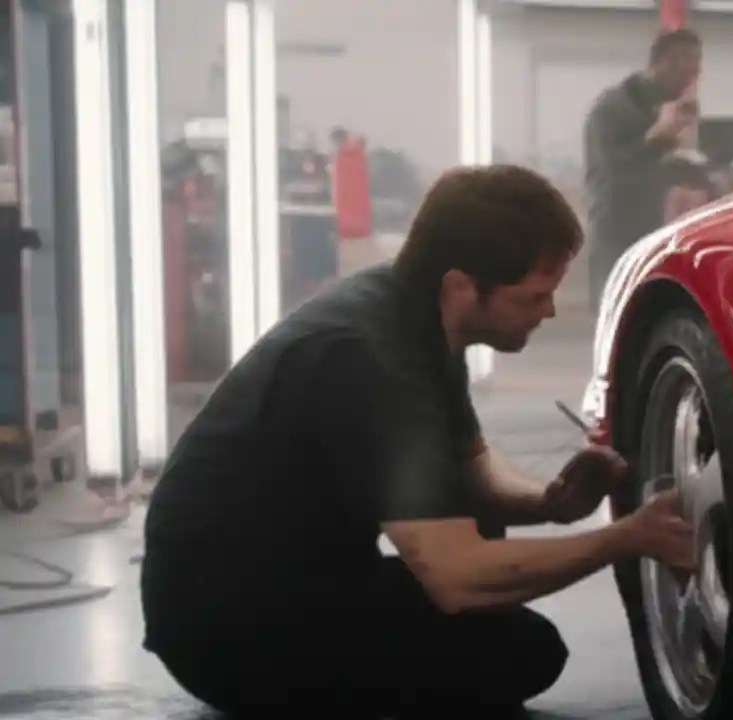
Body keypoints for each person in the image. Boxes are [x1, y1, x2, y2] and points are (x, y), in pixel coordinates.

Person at [139, 165, 696, 719]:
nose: (549, 311)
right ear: (461, 286)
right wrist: (627, 538)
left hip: (285, 581)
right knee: (518, 652)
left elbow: (473, 470)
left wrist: (552, 503)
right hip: (225, 626)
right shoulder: (372, 359)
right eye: (533, 297)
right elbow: (457, 578)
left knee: (503, 622)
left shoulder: (415, 318)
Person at [583, 28, 702, 311]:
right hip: (617, 230)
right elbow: (611, 167)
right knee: (617, 310)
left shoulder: (664, 108)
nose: (690, 75)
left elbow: (663, 165)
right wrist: (655, 141)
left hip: (654, 227)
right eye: (683, 64)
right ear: (658, 62)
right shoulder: (612, 108)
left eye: (695, 66)